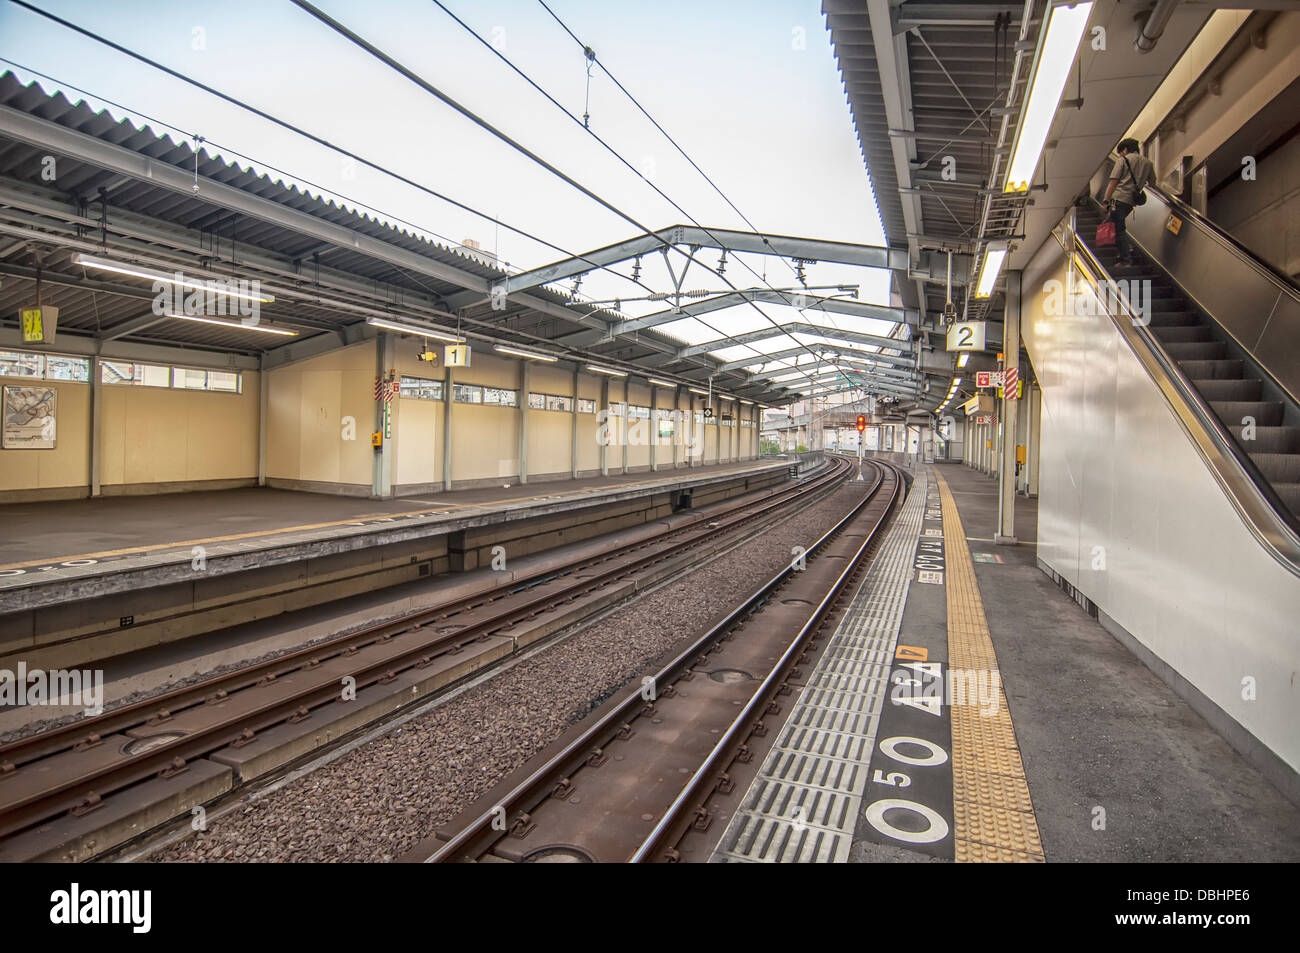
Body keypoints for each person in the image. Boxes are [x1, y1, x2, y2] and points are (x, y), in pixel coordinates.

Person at [1101, 138, 1154, 267]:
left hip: (1118, 199)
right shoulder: (1148, 163)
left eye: (1120, 152)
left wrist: (1105, 201)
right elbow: (1153, 182)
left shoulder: (1123, 160)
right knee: (1109, 225)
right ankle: (1124, 248)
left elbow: (1114, 182)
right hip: (1131, 203)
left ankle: (1126, 259)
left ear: (1125, 150)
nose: (1120, 155)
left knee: (1118, 229)